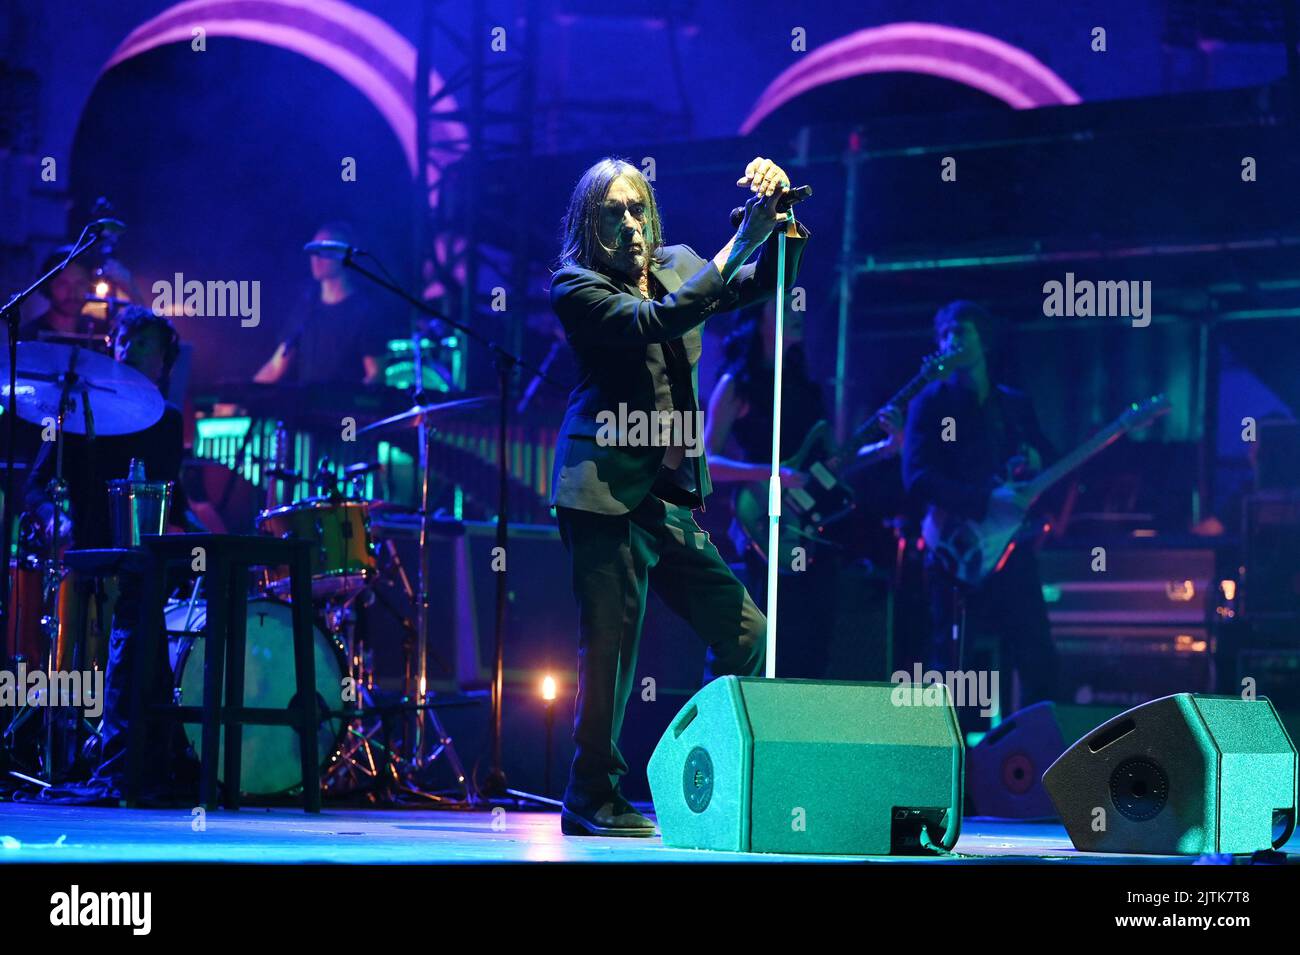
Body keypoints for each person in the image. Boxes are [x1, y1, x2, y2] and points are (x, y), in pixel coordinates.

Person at [548, 155, 808, 836]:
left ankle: (705, 773)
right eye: (614, 211)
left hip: (663, 494)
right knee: (611, 647)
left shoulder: (682, 260)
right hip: (601, 485)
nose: (631, 224)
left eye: (638, 209)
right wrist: (741, 240)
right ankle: (589, 794)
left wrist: (778, 215)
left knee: (746, 630)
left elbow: (769, 280)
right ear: (589, 220)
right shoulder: (575, 286)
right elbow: (654, 322)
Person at [23, 307, 206, 803]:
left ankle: (144, 753)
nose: (129, 350)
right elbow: (34, 487)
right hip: (83, 560)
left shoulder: (166, 420)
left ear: (164, 361)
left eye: (144, 344)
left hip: (140, 562)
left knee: (147, 607)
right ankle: (100, 750)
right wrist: (53, 519)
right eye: (125, 340)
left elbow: (172, 498)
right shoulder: (76, 411)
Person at [901, 300, 1059, 720]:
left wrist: (1036, 459)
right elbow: (916, 476)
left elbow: (1046, 452)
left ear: (982, 340)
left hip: (1010, 548)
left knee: (1037, 653)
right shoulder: (930, 403)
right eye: (945, 335)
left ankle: (1040, 761)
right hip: (956, 552)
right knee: (951, 661)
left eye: (961, 333)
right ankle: (948, 762)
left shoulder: (1012, 404)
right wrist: (982, 500)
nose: (952, 342)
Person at [254, 221, 403, 386]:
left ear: (344, 256)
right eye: (313, 251)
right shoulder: (306, 309)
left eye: (324, 252)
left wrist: (349, 405)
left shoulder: (365, 313)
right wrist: (242, 399)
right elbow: (275, 366)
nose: (316, 259)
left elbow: (375, 376)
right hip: (306, 409)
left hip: (346, 410)